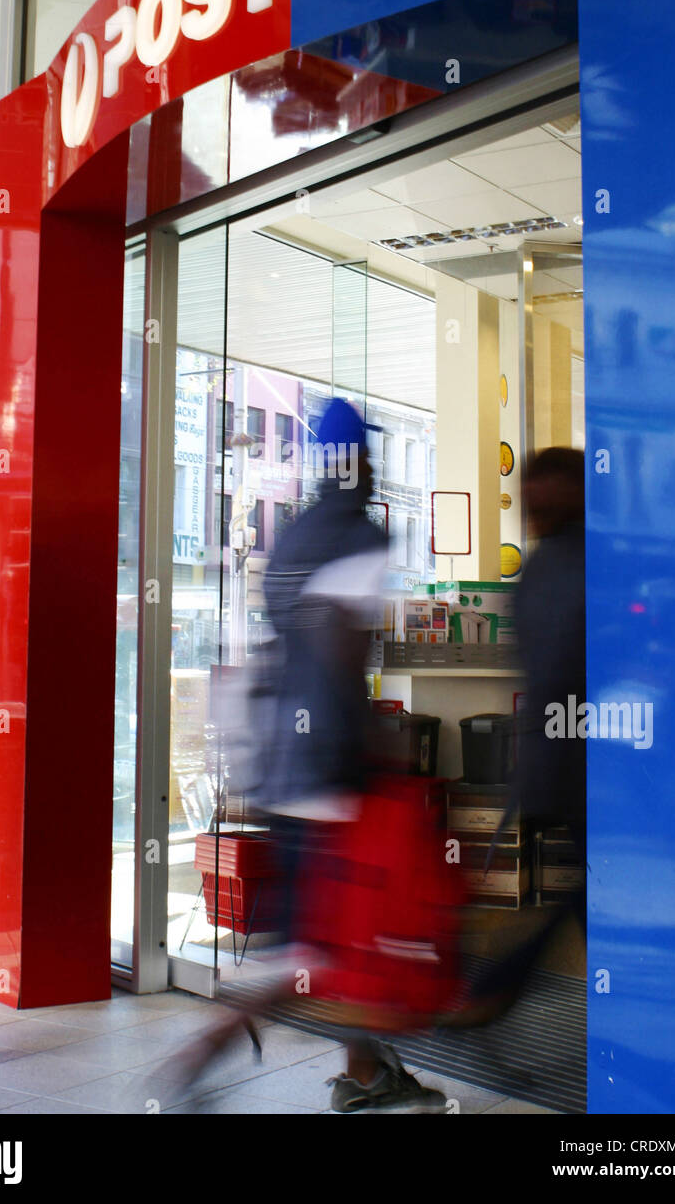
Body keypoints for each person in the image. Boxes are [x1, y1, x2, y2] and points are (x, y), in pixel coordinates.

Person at [178, 398, 450, 1112]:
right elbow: (338, 648)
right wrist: (373, 755)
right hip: (330, 769)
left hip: (284, 763)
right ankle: (209, 1048)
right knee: (326, 939)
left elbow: (289, 639)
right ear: (361, 462)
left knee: (331, 937)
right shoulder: (360, 539)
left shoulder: (294, 536)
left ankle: (365, 1072)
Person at [449, 446, 586, 1024]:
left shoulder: (542, 565)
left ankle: (494, 989)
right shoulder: (578, 563)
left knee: (586, 891)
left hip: (556, 759)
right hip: (583, 760)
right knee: (593, 890)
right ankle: (494, 990)